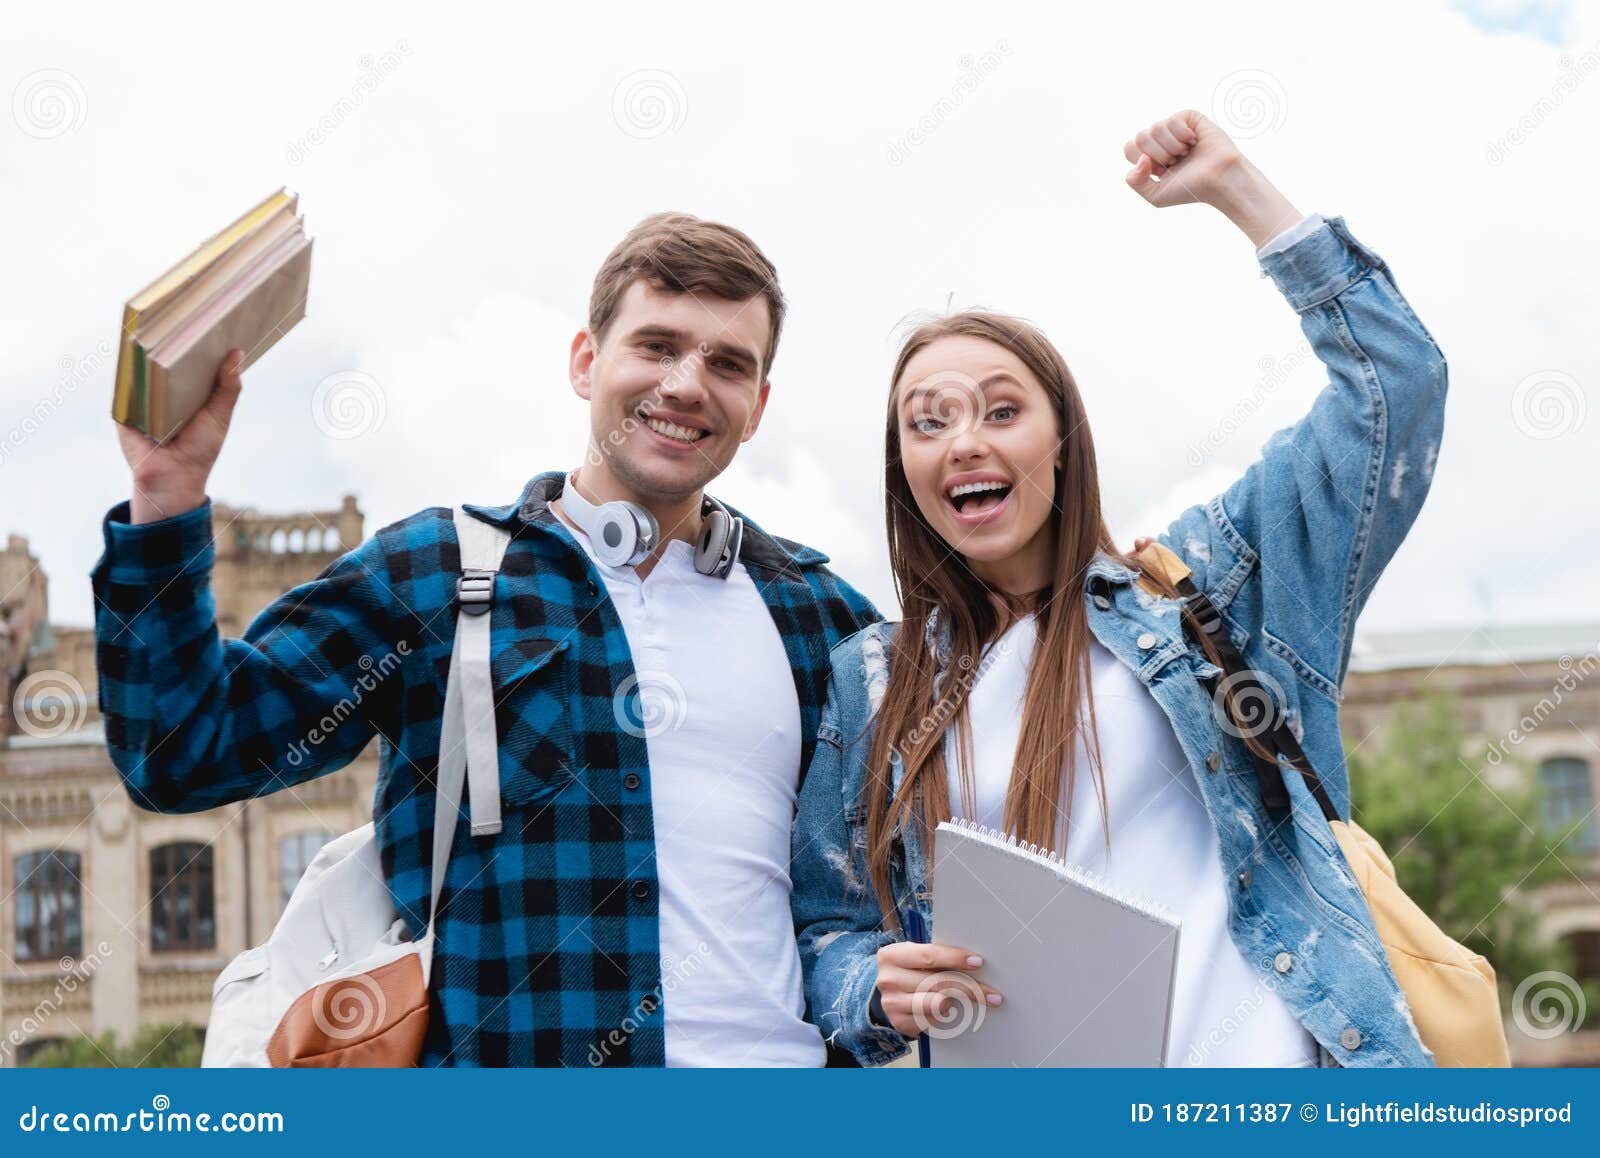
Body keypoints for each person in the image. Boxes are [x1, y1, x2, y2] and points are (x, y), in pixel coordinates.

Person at [94, 212, 880, 1066]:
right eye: (657, 346)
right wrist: (166, 499)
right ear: (587, 362)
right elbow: (183, 751)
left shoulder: (824, 620)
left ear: (758, 406)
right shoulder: (436, 574)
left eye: (728, 363)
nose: (688, 384)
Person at [791, 110, 1449, 1067]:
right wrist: (874, 987)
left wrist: (1237, 189)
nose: (965, 440)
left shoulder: (1205, 591)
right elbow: (828, 932)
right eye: (927, 424)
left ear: (1061, 444)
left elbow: (1398, 389)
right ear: (905, 472)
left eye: (1002, 410)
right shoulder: (874, 680)